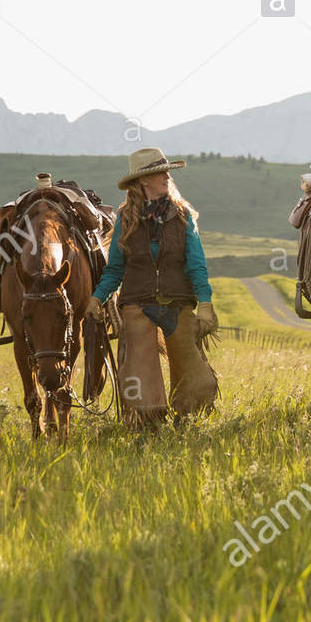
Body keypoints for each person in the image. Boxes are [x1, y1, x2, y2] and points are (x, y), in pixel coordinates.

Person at [86, 147, 218, 424]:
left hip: (177, 301)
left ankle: (189, 422)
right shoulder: (125, 219)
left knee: (196, 378)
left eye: (168, 172)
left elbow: (197, 264)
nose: (168, 177)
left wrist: (205, 303)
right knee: (139, 376)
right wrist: (97, 298)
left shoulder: (183, 216)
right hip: (137, 303)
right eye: (161, 173)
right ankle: (147, 426)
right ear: (145, 180)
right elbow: (115, 270)